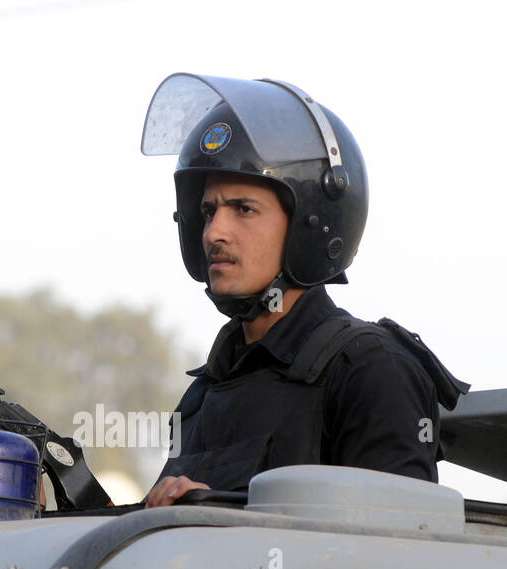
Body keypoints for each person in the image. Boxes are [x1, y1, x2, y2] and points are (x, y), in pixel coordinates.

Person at [138, 74, 469, 508]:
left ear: (310, 224)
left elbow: (397, 553)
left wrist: (223, 519)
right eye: (207, 211)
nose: (214, 232)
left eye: (243, 209)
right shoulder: (204, 394)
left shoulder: (370, 370)